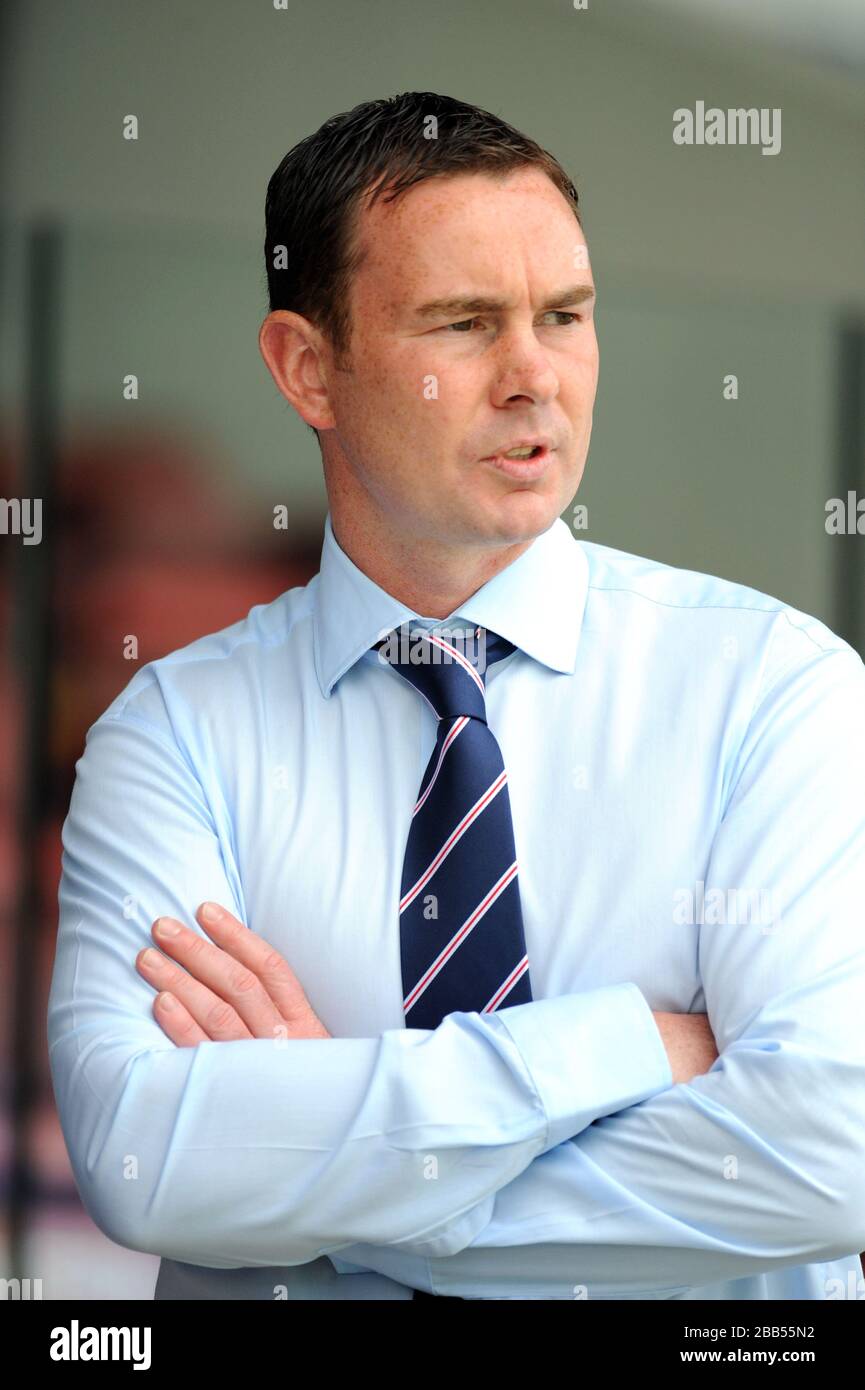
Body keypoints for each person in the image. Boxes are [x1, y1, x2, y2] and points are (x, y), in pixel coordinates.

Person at [48, 91, 865, 1301]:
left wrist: (333, 1160)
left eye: (566, 315)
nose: (535, 374)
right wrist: (617, 1046)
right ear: (307, 368)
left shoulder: (775, 690)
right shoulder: (174, 736)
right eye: (465, 322)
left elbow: (823, 1157)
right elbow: (140, 1157)